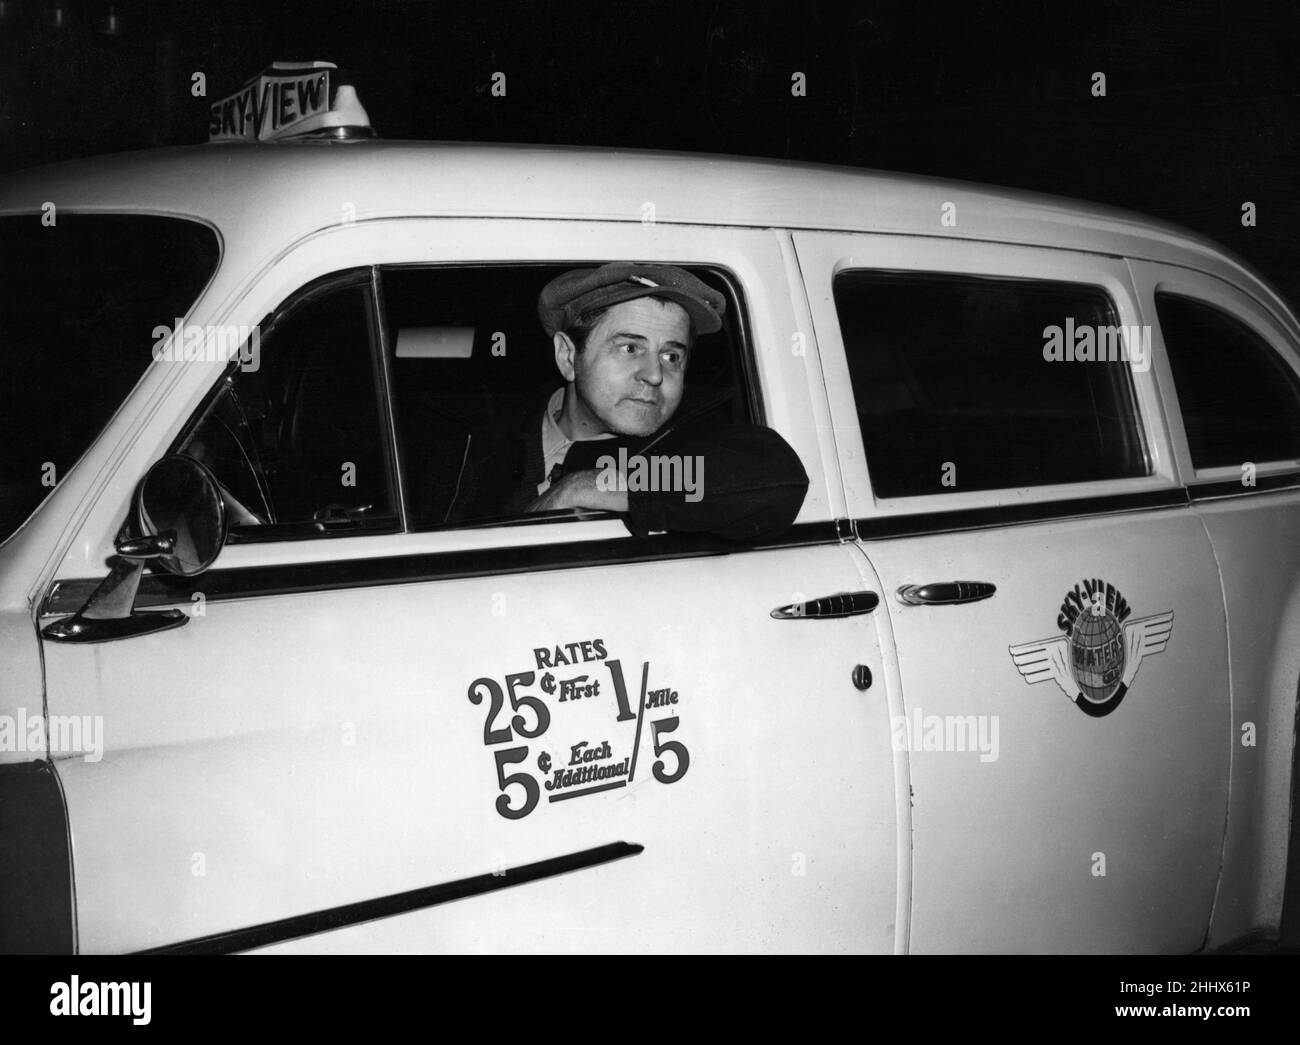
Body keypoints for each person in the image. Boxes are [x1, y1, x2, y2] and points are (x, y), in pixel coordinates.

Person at [447, 262, 809, 542]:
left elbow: (775, 478)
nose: (654, 375)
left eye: (671, 356)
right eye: (630, 348)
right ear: (567, 356)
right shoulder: (467, 435)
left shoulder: (682, 440)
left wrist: (585, 485)